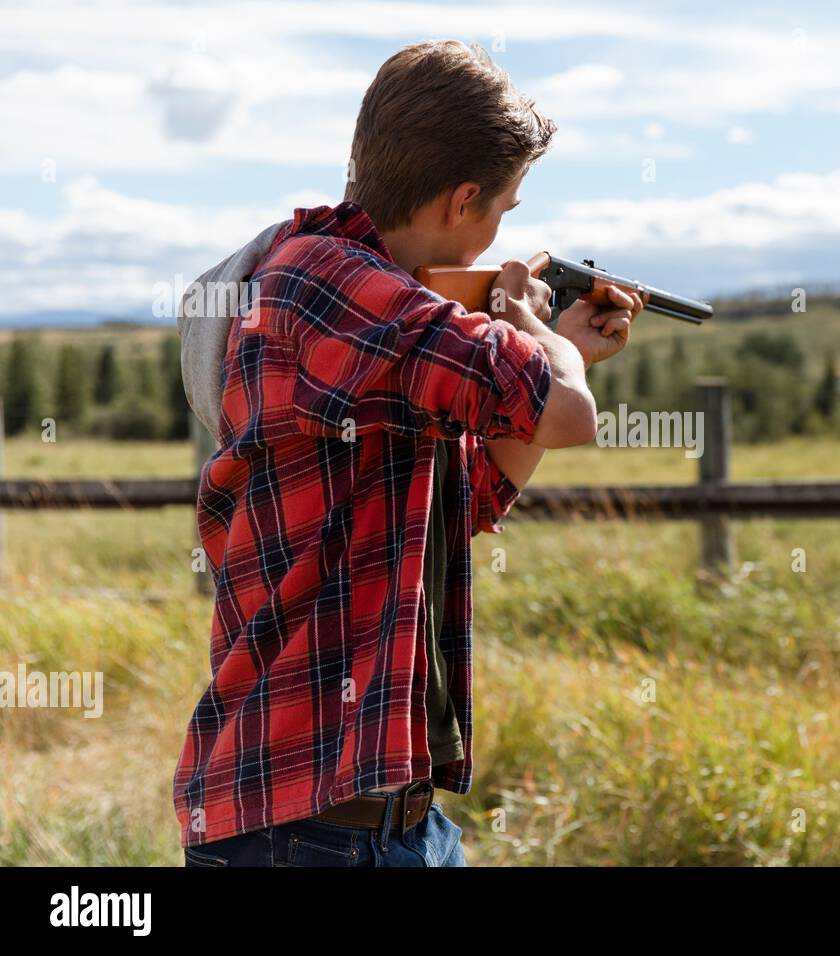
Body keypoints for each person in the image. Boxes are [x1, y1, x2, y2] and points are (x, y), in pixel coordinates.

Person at [172, 40, 639, 867]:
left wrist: (554, 346)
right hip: (304, 826)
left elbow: (468, 501)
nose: (500, 231)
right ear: (464, 200)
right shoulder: (327, 282)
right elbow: (568, 413)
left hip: (387, 817)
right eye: (506, 207)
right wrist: (531, 328)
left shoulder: (380, 316)